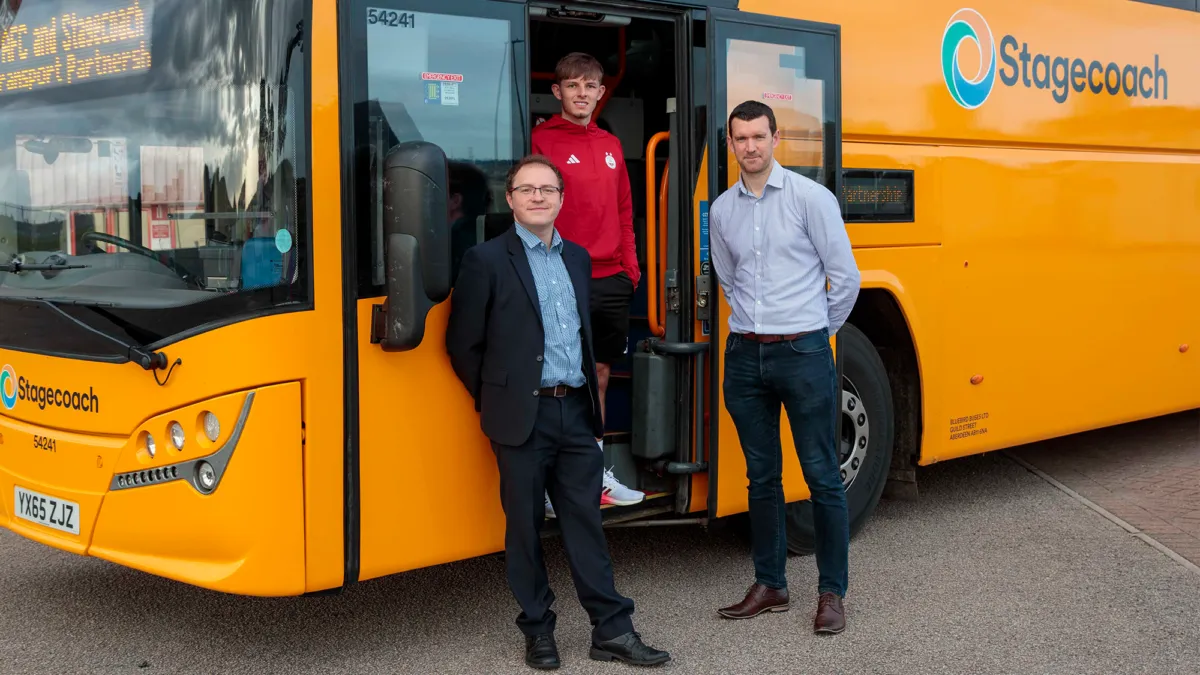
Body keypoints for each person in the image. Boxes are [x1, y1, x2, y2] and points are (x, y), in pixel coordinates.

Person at [445, 155, 671, 670]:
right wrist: (496, 397)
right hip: (520, 419)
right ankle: (538, 631)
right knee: (524, 528)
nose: (538, 198)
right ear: (510, 199)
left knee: (585, 522)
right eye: (527, 189)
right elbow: (463, 345)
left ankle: (612, 631)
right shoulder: (485, 260)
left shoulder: (578, 259)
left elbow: (579, 333)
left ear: (561, 199)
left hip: (574, 409)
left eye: (548, 190)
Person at [708, 100, 861, 635]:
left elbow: (845, 279)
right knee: (761, 476)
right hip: (746, 355)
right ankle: (770, 583)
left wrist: (816, 334)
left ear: (776, 138)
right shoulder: (721, 210)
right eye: (740, 138)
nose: (749, 146)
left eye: (758, 136)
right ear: (730, 144)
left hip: (804, 352)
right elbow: (728, 281)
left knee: (822, 476)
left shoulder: (810, 199)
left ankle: (831, 593)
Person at [531, 51, 644, 513]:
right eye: (572, 86)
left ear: (601, 93)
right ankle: (549, 482)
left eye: (590, 86)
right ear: (558, 92)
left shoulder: (612, 145)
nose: (582, 94)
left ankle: (594, 476)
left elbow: (624, 212)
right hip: (563, 277)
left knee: (597, 376)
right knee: (555, 379)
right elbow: (534, 208)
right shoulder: (541, 139)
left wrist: (630, 269)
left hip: (611, 279)